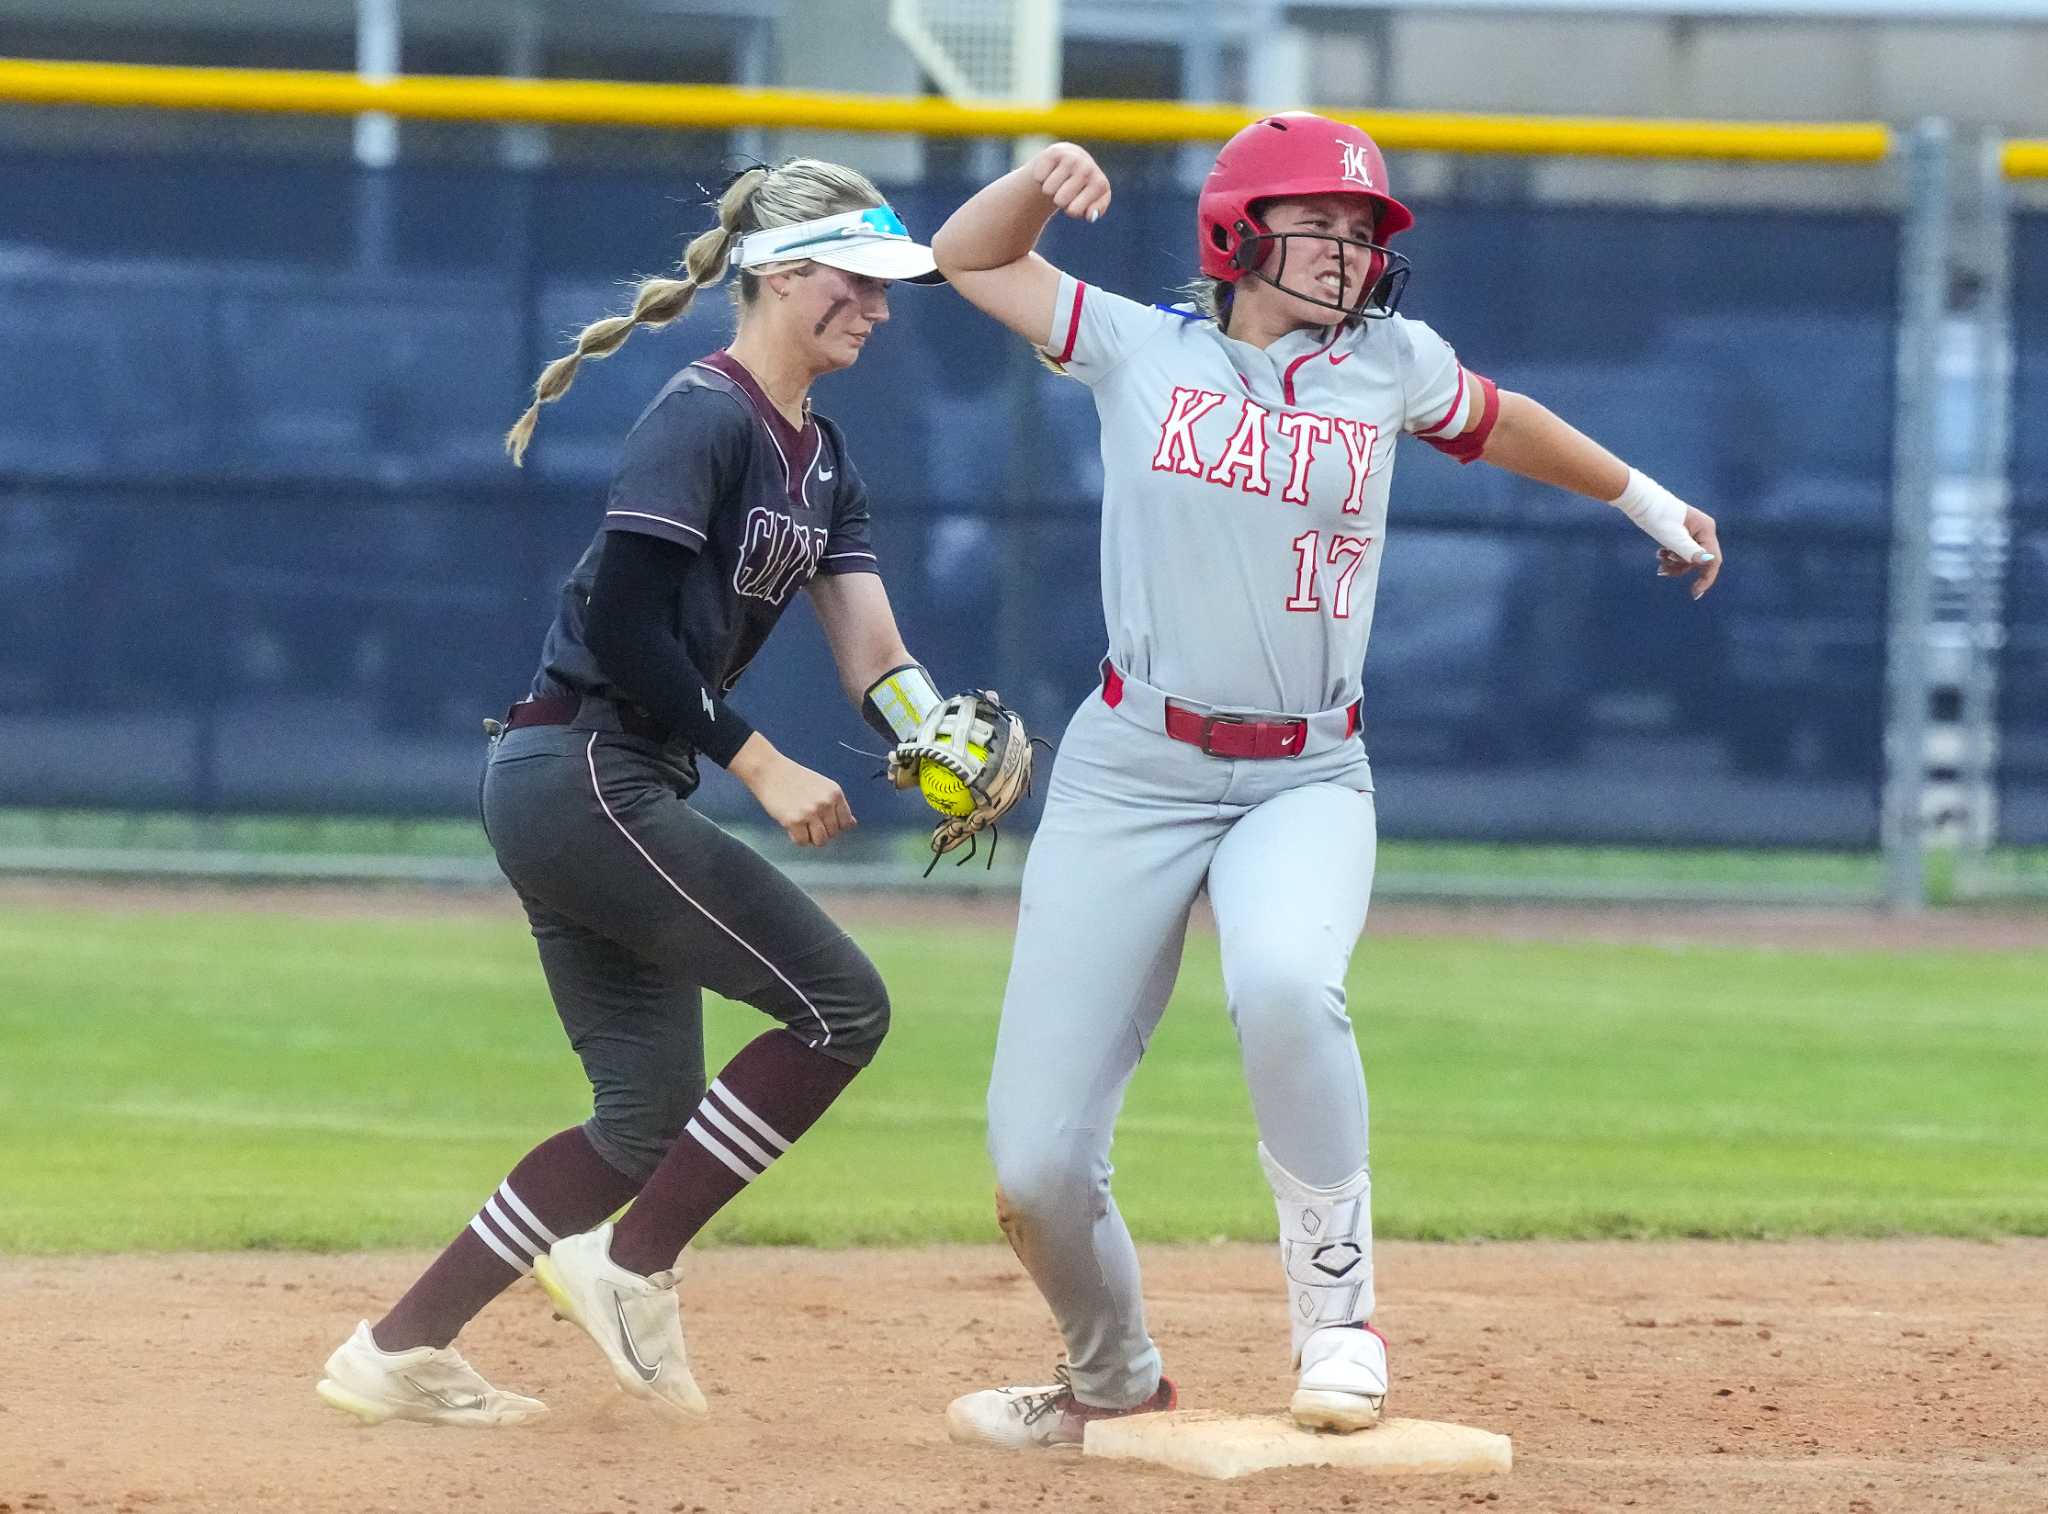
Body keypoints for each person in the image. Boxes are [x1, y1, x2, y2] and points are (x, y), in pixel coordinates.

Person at [930, 116, 1724, 1448]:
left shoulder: (1388, 364)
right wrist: (1036, 180)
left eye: (1365, 233)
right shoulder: (1139, 347)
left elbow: (1502, 419)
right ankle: (1111, 1377)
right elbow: (970, 258)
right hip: (1132, 770)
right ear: (1235, 234)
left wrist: (1644, 497)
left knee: (1290, 986)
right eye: (1321, 222)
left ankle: (1341, 1320)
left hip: (1306, 770)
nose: (1350, 250)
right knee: (1035, 1164)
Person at [316, 158, 960, 1427]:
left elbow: (873, 651)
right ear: (777, 273)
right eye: (856, 279)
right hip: (584, 767)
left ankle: (396, 1349)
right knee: (842, 1006)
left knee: (645, 1115)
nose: (878, 308)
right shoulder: (701, 410)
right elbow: (620, 619)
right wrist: (759, 759)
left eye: (889, 288)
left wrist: (936, 736)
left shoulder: (820, 455)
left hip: (599, 781)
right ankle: (631, 1262)